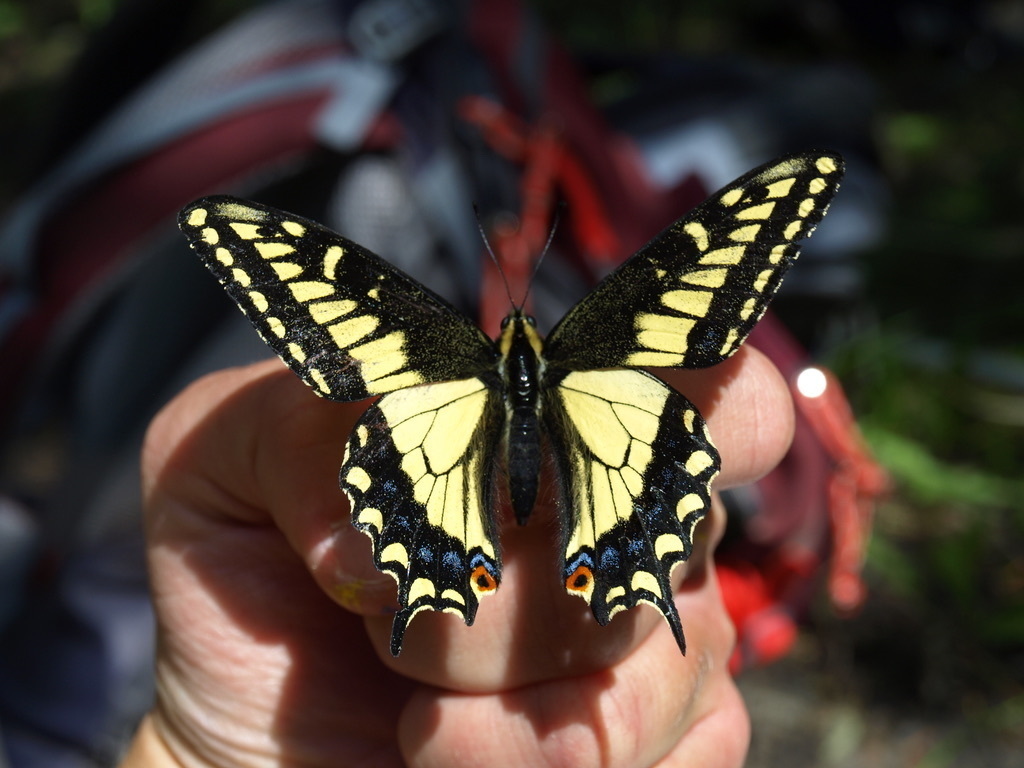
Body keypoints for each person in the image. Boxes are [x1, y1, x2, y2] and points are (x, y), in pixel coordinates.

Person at [116, 343, 794, 768]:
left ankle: (483, 563)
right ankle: (596, 560)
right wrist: (198, 755)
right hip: (586, 425)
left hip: (475, 435)